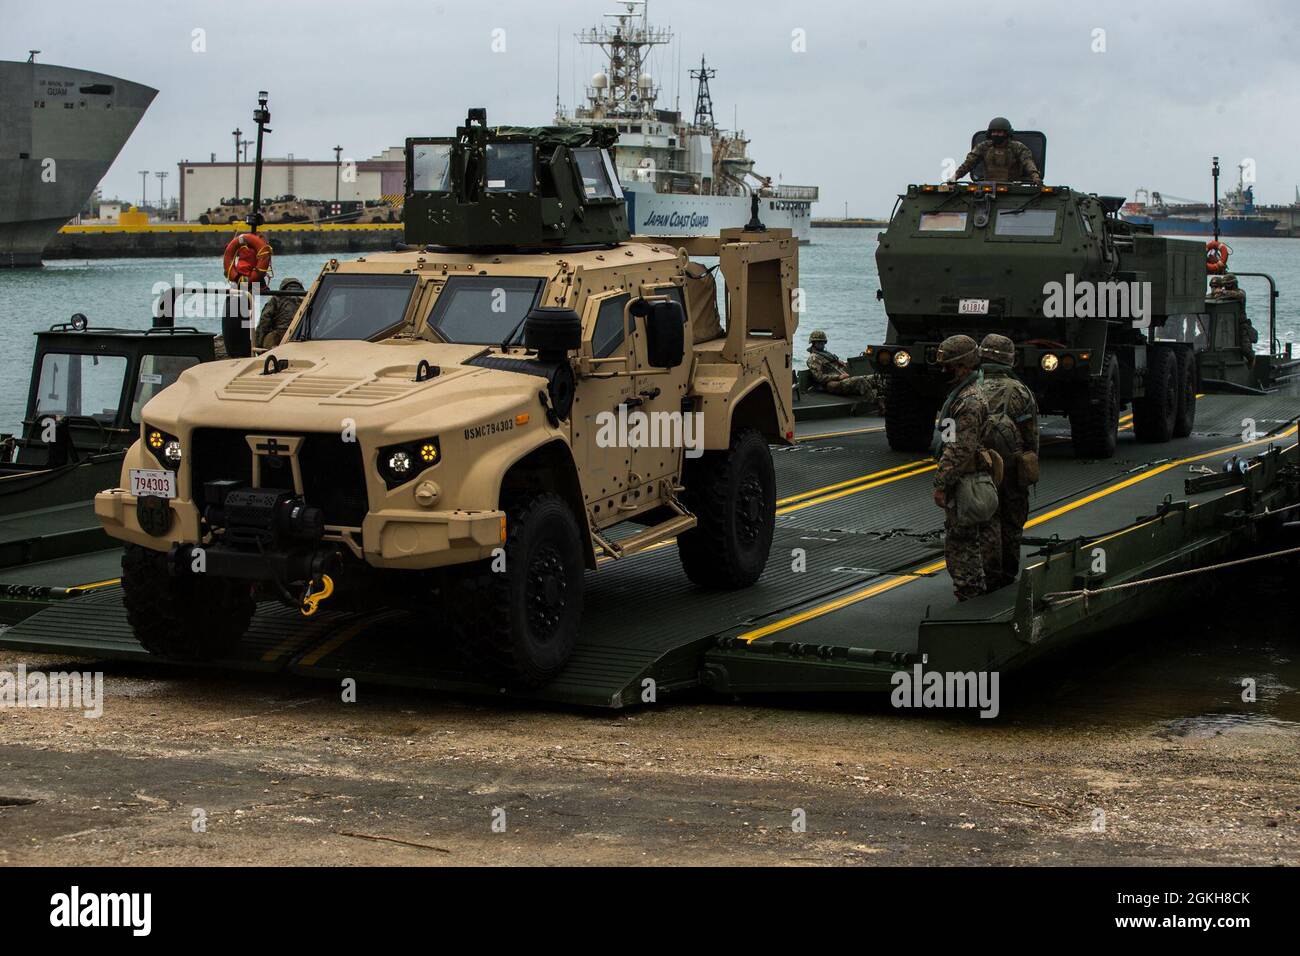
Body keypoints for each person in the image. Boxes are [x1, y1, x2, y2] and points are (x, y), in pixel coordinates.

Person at [931, 334, 1000, 601]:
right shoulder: (963, 395)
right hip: (970, 478)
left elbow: (959, 448)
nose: (944, 372)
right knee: (979, 536)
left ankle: (969, 592)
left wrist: (941, 483)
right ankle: (981, 588)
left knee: (962, 541)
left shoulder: (967, 401)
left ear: (963, 366)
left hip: (966, 482)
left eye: (948, 366)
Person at [977, 334, 1039, 589]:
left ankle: (988, 574)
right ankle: (1008, 574)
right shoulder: (1021, 391)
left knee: (985, 520)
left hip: (979, 466)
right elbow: (1031, 437)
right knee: (1012, 521)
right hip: (1012, 466)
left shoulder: (969, 389)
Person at [951, 117, 1041, 184]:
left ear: (1006, 133)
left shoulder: (1017, 147)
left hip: (1012, 187)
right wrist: (955, 177)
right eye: (994, 132)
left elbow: (1028, 162)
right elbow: (969, 163)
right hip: (987, 187)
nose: (996, 134)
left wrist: (1035, 177)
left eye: (999, 132)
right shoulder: (983, 147)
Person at [806, 330, 877, 401]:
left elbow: (832, 365)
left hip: (842, 380)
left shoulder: (825, 354)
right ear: (813, 343)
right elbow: (819, 378)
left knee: (875, 377)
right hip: (831, 384)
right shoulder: (813, 358)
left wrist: (838, 362)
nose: (822, 344)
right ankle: (874, 402)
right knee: (860, 380)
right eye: (819, 342)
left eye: (823, 342)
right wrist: (838, 377)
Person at [1209, 274, 1258, 366]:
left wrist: (1222, 292)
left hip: (1240, 325)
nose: (1226, 287)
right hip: (1224, 323)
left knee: (1246, 349)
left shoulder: (1240, 293)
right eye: (1224, 285)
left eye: (1228, 284)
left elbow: (1239, 295)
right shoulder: (1224, 294)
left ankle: (1252, 366)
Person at [254, 277, 306, 350]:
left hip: (278, 338)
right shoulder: (307, 298)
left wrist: (257, 344)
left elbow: (264, 321)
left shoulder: (276, 298)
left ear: (282, 287)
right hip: (301, 338)